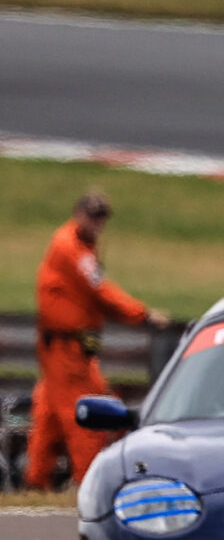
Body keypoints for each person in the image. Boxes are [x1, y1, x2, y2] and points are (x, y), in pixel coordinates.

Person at [25, 190, 168, 490]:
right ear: (78, 213)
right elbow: (100, 291)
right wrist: (142, 314)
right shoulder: (70, 247)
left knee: (49, 414)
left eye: (101, 216)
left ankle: (36, 483)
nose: (97, 222)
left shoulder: (82, 247)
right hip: (66, 350)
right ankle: (89, 485)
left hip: (70, 348)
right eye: (92, 215)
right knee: (86, 415)